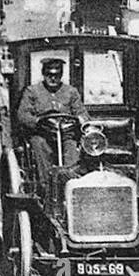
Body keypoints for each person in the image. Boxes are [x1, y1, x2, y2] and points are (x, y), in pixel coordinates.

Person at [17, 57, 91, 194]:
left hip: (66, 135)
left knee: (73, 150)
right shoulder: (32, 91)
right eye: (49, 75)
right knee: (39, 145)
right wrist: (37, 122)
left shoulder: (71, 92)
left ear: (61, 75)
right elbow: (23, 115)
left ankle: (72, 185)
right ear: (43, 74)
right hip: (43, 134)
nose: (52, 79)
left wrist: (82, 120)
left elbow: (82, 113)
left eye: (56, 75)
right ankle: (47, 187)